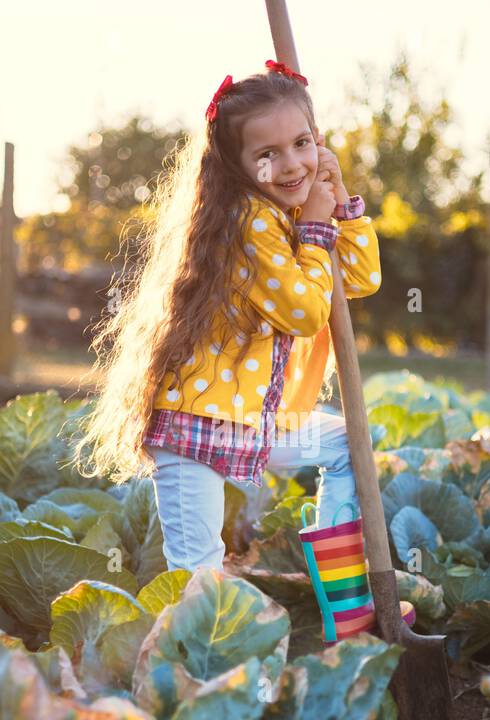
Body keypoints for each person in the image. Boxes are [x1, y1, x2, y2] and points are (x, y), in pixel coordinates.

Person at [72, 60, 413, 643]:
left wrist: (338, 200)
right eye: (268, 154)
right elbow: (307, 309)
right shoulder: (246, 222)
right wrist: (314, 224)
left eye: (302, 143)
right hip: (197, 427)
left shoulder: (290, 213)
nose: (290, 164)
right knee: (197, 572)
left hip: (253, 421)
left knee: (350, 445)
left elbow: (357, 279)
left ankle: (348, 604)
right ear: (235, 165)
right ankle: (185, 675)